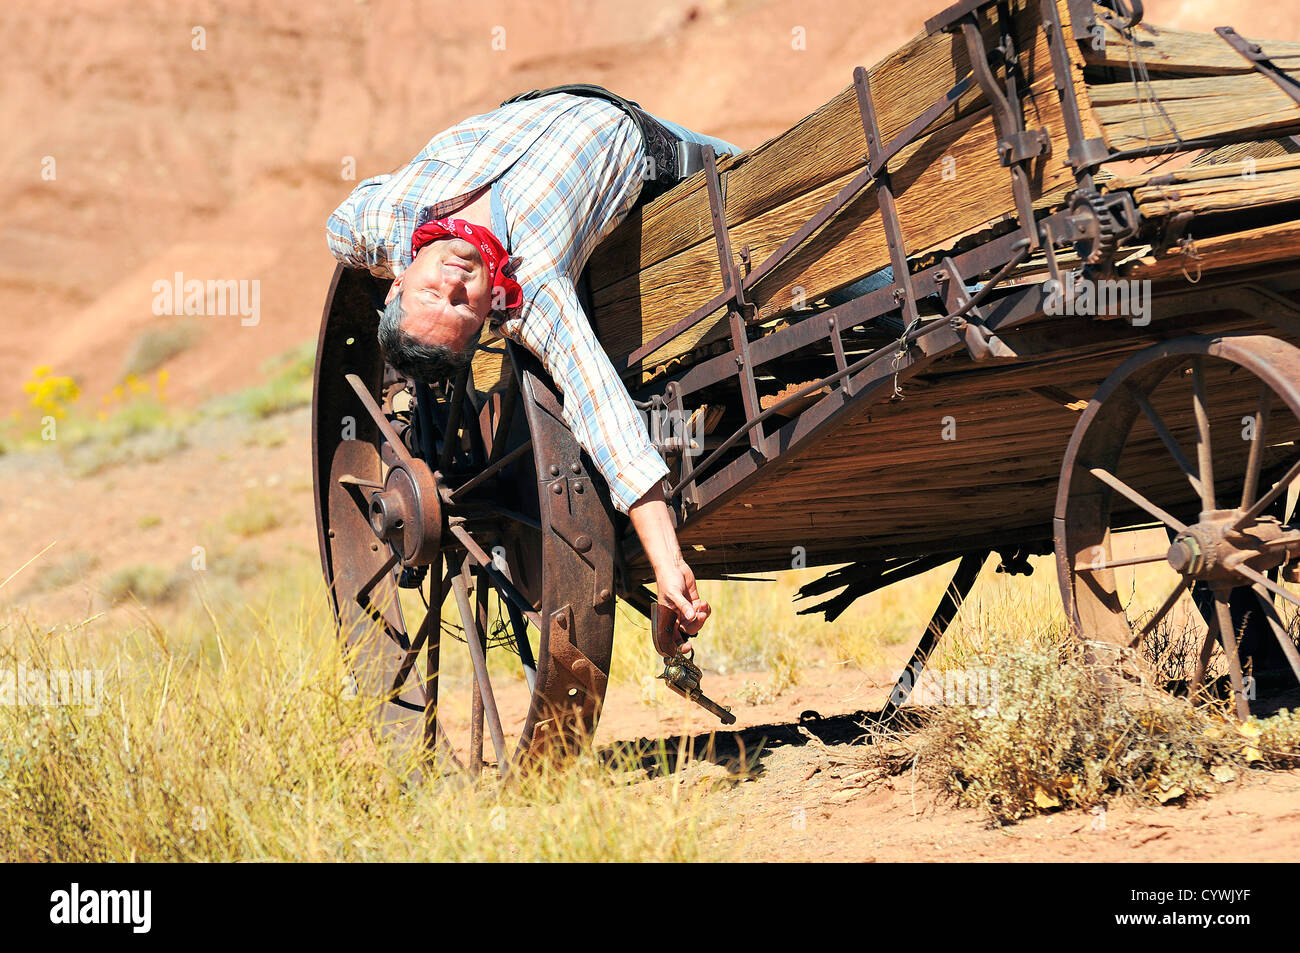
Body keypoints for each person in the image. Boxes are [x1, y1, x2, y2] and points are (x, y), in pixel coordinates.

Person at [326, 88, 741, 649]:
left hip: (543, 98)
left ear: (399, 280)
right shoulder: (534, 292)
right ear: (488, 323)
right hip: (662, 152)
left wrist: (394, 250)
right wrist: (669, 567)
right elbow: (607, 419)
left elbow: (338, 225)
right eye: (461, 306)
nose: (452, 283)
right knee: (802, 185)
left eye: (429, 292)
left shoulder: (387, 224)